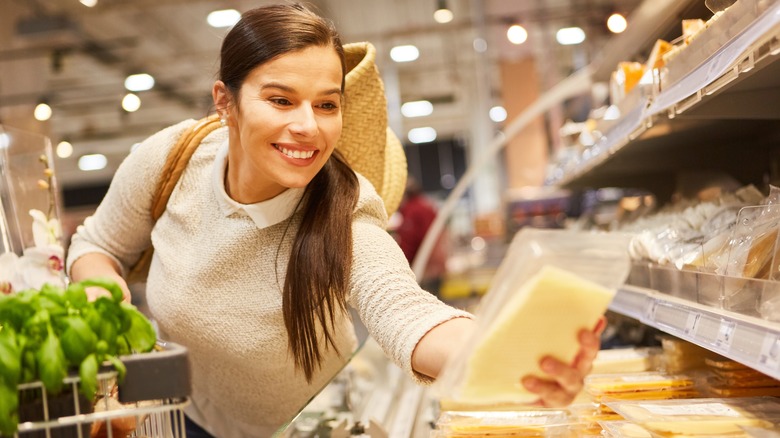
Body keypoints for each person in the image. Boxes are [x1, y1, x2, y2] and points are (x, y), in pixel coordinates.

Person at [66, 4, 605, 437]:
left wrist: (508, 350)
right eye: (281, 99)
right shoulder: (171, 160)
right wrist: (99, 288)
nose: (308, 127)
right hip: (181, 418)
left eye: (327, 105)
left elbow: (406, 311)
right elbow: (97, 244)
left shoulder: (344, 213)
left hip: (308, 423)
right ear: (225, 103)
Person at [396, 177, 447, 295]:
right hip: (436, 269)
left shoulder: (413, 211)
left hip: (425, 270)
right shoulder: (427, 206)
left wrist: (401, 266)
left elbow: (409, 243)